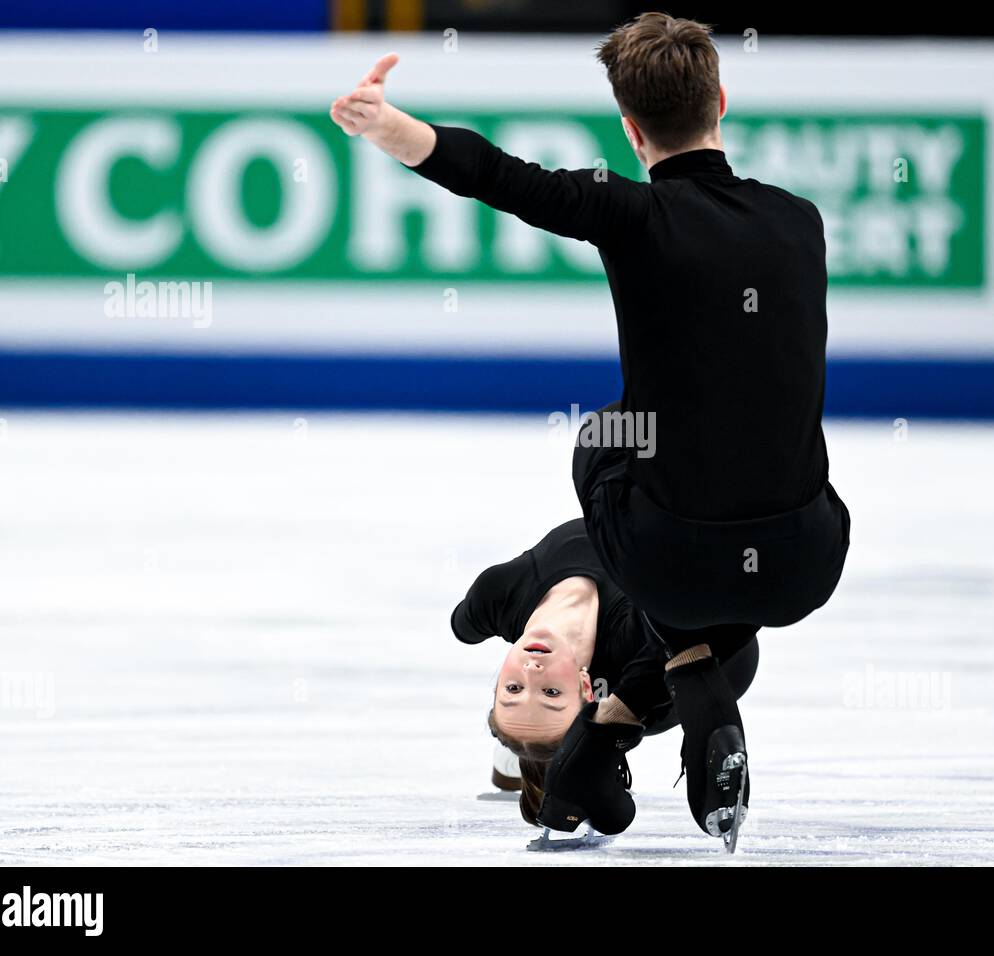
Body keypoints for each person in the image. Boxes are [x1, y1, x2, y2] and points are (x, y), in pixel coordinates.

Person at [330, 12, 850, 845]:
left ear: (629, 129)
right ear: (721, 100)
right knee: (753, 458)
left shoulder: (630, 214)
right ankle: (632, 713)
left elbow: (502, 177)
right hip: (808, 562)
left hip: (677, 571)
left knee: (607, 436)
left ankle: (683, 661)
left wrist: (388, 126)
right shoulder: (801, 221)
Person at [450, 519, 758, 829]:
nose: (531, 672)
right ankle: (579, 755)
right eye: (551, 693)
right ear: (586, 688)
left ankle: (538, 748)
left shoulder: (494, 599)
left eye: (513, 689)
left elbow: (461, 626)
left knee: (537, 737)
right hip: (723, 663)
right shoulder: (631, 640)